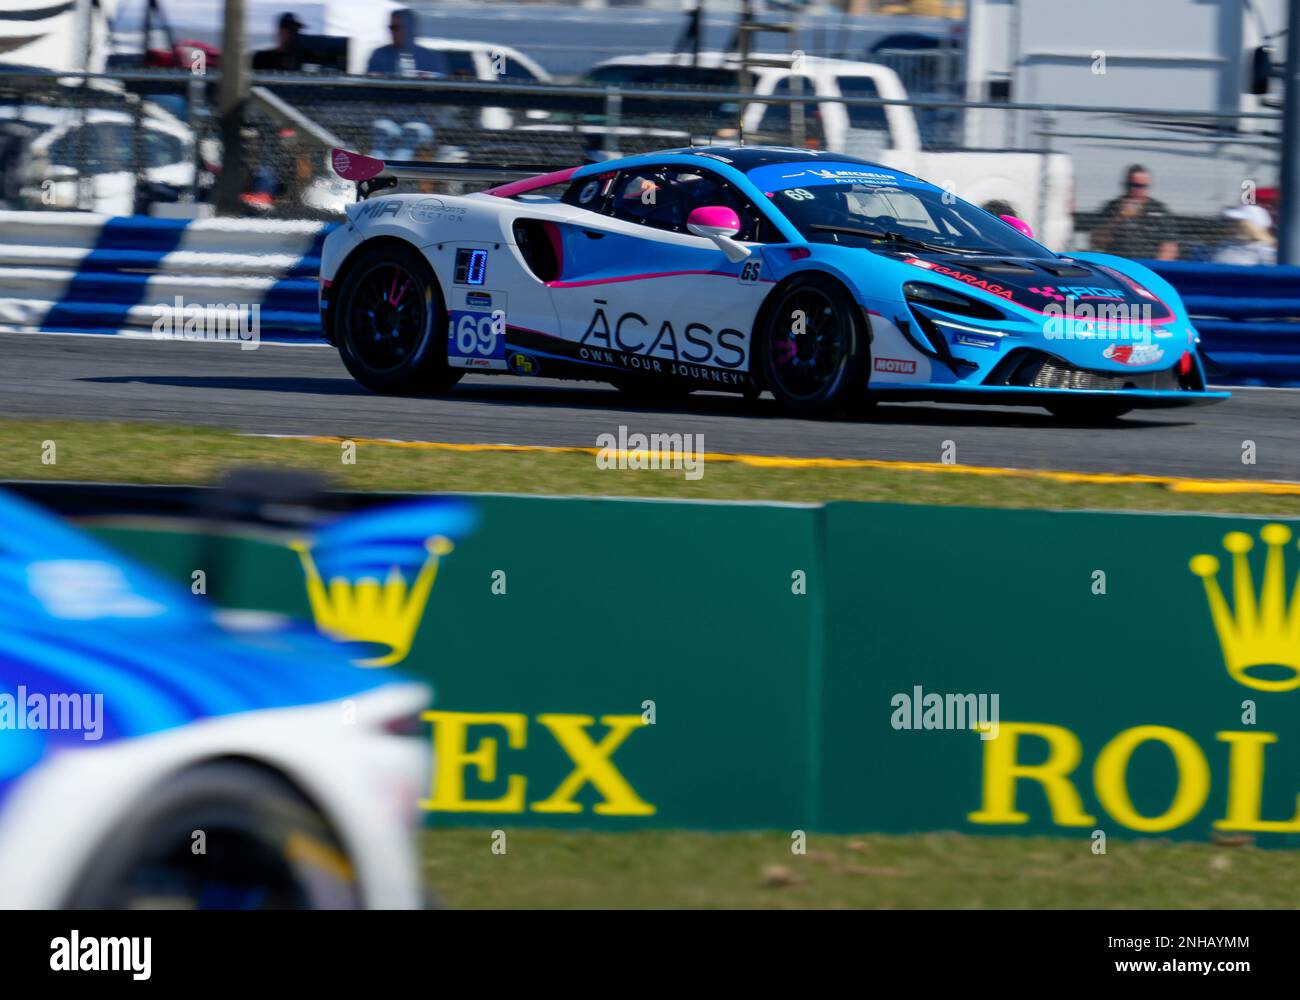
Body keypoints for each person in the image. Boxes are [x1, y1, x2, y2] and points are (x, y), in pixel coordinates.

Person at [1090, 164, 1178, 260]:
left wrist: (1157, 267)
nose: (1135, 190)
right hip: (1118, 264)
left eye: (1141, 186)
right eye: (1131, 185)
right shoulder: (1112, 207)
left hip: (1148, 265)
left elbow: (1169, 246)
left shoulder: (1159, 210)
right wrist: (1117, 218)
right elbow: (1096, 241)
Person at [366, 8, 449, 77]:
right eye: (391, 27)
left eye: (396, 28)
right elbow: (371, 81)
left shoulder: (431, 58)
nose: (392, 32)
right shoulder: (379, 55)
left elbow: (442, 83)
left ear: (410, 28)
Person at [1212, 204, 1276, 266]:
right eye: (1233, 221)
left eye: (1239, 221)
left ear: (1255, 226)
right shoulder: (1225, 245)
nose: (1233, 225)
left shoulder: (1267, 252)